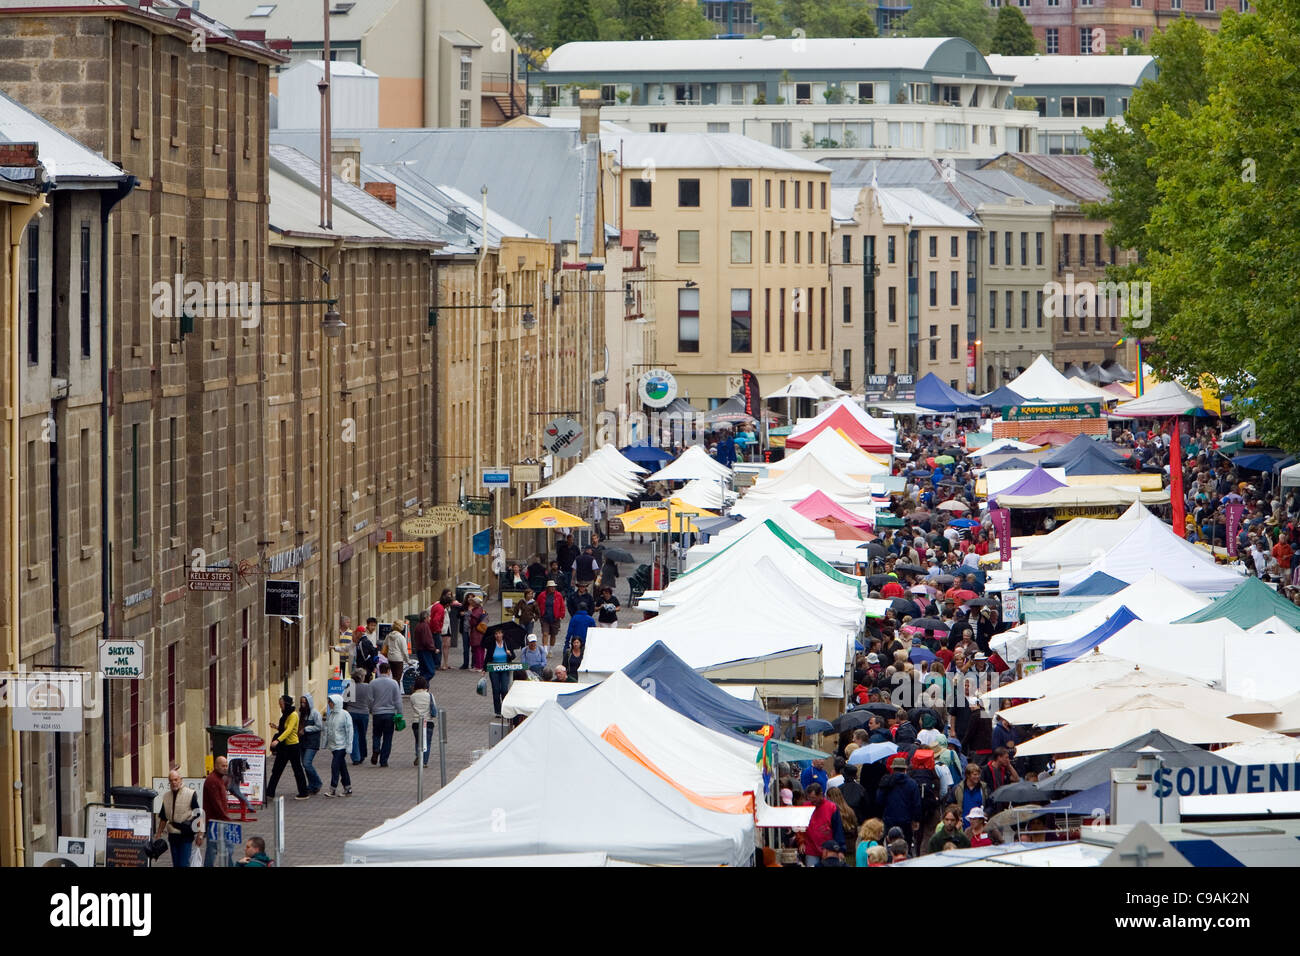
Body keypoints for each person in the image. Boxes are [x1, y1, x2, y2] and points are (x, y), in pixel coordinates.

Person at [265, 697, 310, 803]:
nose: (280, 706)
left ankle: (303, 792)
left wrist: (277, 740)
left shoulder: (293, 715)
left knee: (297, 769)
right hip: (284, 747)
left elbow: (289, 730)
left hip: (293, 746)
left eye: (281, 704)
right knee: (276, 770)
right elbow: (283, 729)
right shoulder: (285, 715)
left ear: (286, 704)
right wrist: (276, 727)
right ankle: (269, 793)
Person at [155, 769, 201, 869]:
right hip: (173, 836)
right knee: (176, 864)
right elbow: (163, 817)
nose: (174, 782)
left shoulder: (190, 794)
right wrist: (159, 833)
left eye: (176, 779)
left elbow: (199, 815)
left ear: (180, 780)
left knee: (183, 864)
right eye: (171, 780)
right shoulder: (166, 796)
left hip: (186, 834)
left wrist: (200, 835)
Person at [876, 756, 921, 846]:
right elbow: (916, 804)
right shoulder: (912, 783)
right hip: (906, 821)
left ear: (893, 769)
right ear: (905, 769)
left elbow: (879, 800)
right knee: (906, 843)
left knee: (890, 844)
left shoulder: (886, 781)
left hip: (889, 819)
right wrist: (916, 819)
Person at [202, 756, 235, 867]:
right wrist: (227, 819)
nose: (225, 768)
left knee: (220, 849)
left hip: (219, 821)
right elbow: (216, 803)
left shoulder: (219, 778)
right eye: (223, 766)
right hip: (216, 822)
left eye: (226, 765)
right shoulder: (213, 780)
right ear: (216, 766)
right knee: (217, 849)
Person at [802, 783, 844, 867]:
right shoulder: (805, 807)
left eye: (813, 798)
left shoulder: (832, 807)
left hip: (829, 849)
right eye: (809, 798)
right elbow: (800, 827)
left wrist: (840, 850)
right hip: (811, 849)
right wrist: (801, 842)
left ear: (820, 794)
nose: (812, 801)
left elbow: (838, 830)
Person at [369, 662, 402, 767]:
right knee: (388, 737)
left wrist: (371, 709)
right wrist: (400, 713)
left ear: (379, 670)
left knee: (376, 734)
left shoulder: (373, 683)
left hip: (377, 713)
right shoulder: (393, 683)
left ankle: (375, 749)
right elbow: (398, 700)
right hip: (390, 713)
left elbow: (370, 699)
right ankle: (384, 760)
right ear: (389, 671)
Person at [321, 693, 353, 797]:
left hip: (341, 745)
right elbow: (327, 730)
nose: (329, 704)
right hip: (333, 746)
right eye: (329, 702)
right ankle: (347, 787)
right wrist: (325, 743)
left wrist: (349, 746)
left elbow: (349, 731)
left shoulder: (345, 714)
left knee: (335, 766)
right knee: (342, 767)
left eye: (331, 702)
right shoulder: (331, 714)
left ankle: (332, 789)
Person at [484, 628, 516, 715]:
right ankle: (498, 711)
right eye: (496, 634)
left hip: (505, 669)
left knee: (504, 689)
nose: (498, 635)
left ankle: (505, 709)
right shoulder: (492, 644)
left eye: (499, 633)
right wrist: (484, 669)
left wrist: (509, 654)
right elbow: (487, 657)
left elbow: (513, 657)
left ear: (502, 634)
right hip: (494, 669)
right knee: (496, 690)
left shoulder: (507, 643)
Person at [345, 668, 372, 765]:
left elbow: (345, 700)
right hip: (364, 713)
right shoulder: (367, 687)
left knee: (354, 734)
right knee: (362, 735)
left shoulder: (350, 687)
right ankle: (362, 754)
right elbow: (370, 700)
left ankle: (355, 757)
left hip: (351, 712)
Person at [298, 693, 323, 795]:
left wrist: (306, 729)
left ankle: (317, 783)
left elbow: (319, 726)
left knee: (306, 763)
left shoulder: (315, 713)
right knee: (305, 764)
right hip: (302, 742)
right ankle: (312, 785)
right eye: (301, 702)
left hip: (312, 742)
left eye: (305, 702)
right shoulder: (301, 714)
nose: (303, 705)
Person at [408, 676, 436, 768]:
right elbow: (434, 707)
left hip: (416, 721)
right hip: (428, 721)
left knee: (418, 741)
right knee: (427, 742)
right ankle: (424, 761)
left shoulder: (412, 696)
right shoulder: (429, 695)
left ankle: (418, 755)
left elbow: (413, 706)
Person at [537, 580, 567, 656]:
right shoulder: (542, 595)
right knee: (545, 633)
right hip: (545, 617)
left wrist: (561, 615)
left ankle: (550, 650)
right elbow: (537, 604)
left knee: (553, 635)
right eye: (551, 587)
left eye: (554, 587)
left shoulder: (558, 595)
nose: (553, 588)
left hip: (555, 618)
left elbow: (562, 606)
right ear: (548, 588)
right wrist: (538, 614)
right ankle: (545, 650)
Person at [382, 622, 410, 688]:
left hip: (390, 658)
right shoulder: (401, 637)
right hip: (398, 659)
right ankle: (396, 692)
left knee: (391, 677)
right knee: (397, 678)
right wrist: (408, 661)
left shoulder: (388, 636)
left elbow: (384, 646)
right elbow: (404, 651)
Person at [413, 609, 437, 682]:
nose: (430, 618)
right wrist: (434, 649)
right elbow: (427, 641)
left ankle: (423, 687)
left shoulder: (418, 626)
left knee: (423, 671)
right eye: (429, 617)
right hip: (425, 651)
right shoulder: (424, 626)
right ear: (425, 618)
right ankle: (420, 684)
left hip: (420, 650)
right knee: (430, 671)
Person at [467, 594, 488, 670]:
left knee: (477, 650)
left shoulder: (475, 612)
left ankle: (478, 666)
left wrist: (469, 616)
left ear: (475, 603)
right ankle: (481, 665)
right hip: (482, 632)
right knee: (481, 649)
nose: (471, 603)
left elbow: (472, 623)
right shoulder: (482, 610)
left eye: (472, 602)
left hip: (476, 633)